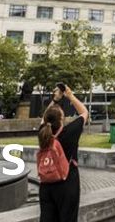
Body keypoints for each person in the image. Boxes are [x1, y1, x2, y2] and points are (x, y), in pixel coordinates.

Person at [37, 85, 89, 222]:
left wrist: (55, 100)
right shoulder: (70, 132)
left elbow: (44, 118)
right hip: (67, 183)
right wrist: (70, 95)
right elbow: (84, 112)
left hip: (46, 185)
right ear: (61, 119)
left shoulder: (43, 134)